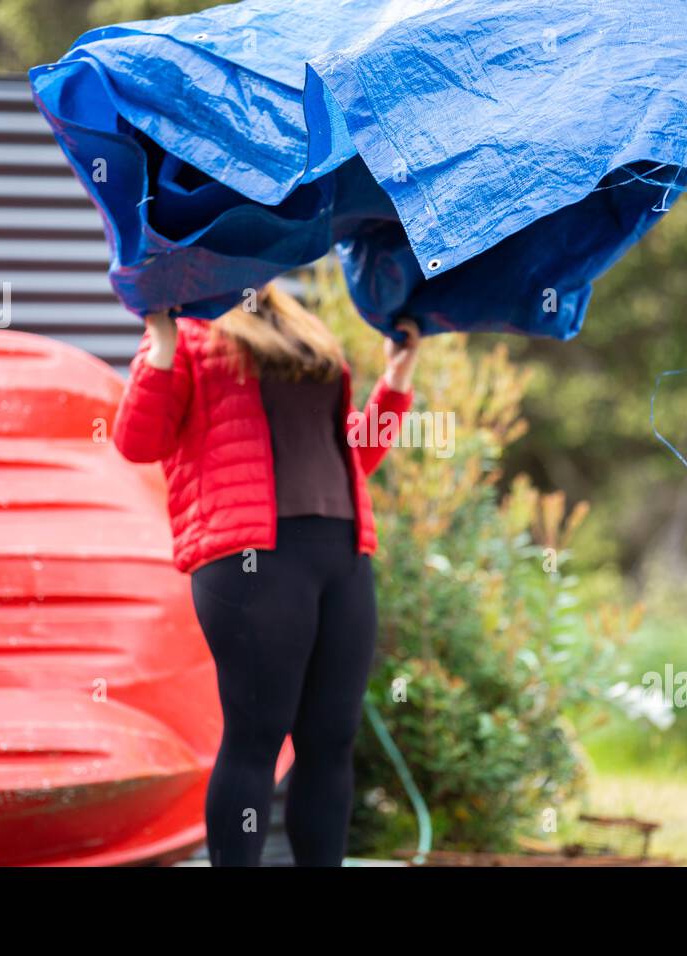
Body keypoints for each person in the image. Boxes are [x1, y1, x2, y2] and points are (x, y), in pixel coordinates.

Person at [112, 282, 420, 866]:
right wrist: (159, 346)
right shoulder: (192, 332)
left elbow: (351, 455)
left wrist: (396, 381)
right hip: (253, 559)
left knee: (331, 741)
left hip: (342, 553)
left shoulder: (305, 331)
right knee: (256, 737)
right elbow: (136, 441)